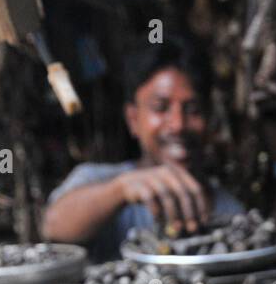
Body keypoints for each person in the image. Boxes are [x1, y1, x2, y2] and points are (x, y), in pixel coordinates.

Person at [42, 38, 243, 260]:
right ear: (133, 120)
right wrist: (121, 189)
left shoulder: (228, 208)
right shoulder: (96, 179)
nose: (178, 124)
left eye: (193, 109)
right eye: (161, 108)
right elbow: (53, 226)